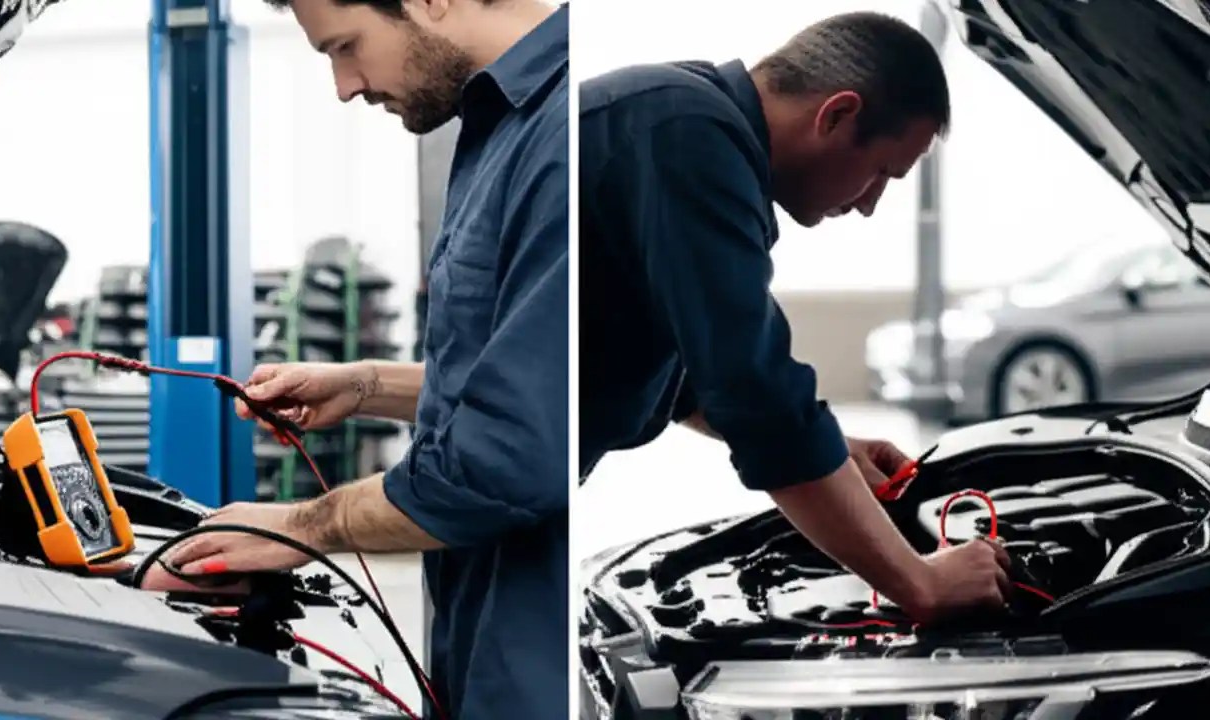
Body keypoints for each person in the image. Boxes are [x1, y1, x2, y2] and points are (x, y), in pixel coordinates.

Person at [141, 1, 569, 719]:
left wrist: (304, 527)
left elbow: (508, 452)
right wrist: (366, 385)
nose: (344, 85)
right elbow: (530, 379)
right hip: (481, 634)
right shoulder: (499, 129)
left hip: (535, 654)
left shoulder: (565, 139)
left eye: (345, 47)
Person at [579, 11, 1011, 624]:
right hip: (503, 486)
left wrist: (831, 451)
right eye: (882, 173)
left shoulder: (680, 123)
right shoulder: (687, 138)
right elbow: (756, 395)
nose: (868, 205)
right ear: (835, 114)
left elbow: (690, 376)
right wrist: (921, 582)